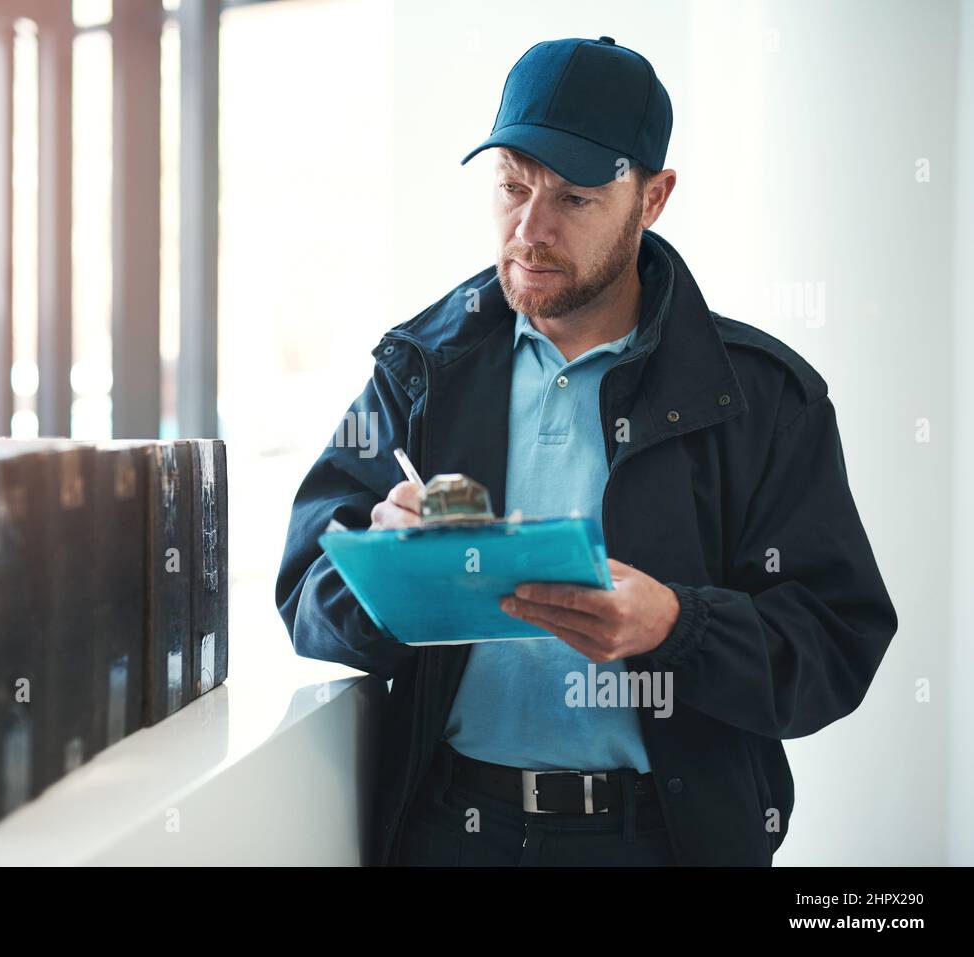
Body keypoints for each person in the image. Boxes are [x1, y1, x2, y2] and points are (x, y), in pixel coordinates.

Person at [275, 36, 897, 866]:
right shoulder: (419, 369)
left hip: (661, 842)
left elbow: (836, 641)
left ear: (653, 197)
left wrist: (679, 626)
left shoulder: (765, 398)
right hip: (448, 831)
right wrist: (385, 577)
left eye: (573, 198)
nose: (530, 230)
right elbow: (305, 592)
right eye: (512, 186)